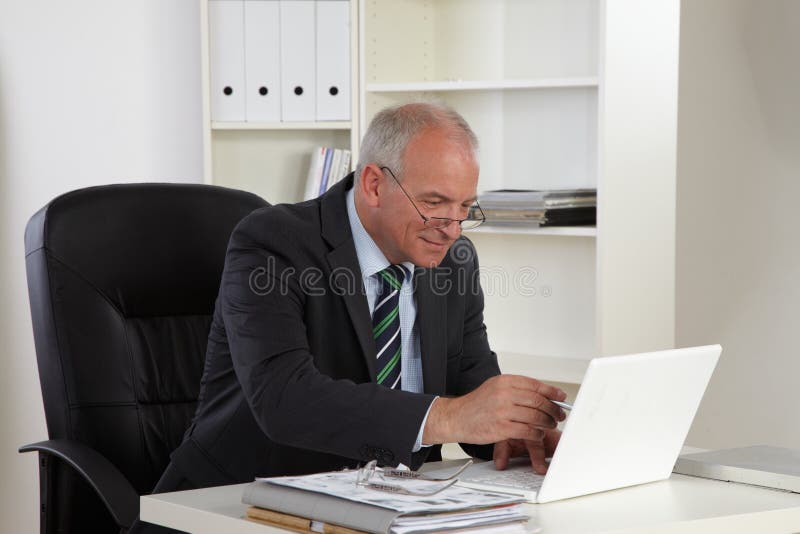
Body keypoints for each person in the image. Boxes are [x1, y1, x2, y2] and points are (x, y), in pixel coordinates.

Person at [132, 102, 565, 533]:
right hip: (237, 506)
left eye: (465, 207)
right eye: (434, 203)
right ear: (375, 184)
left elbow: (471, 388)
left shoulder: (453, 262)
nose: (452, 228)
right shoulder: (272, 242)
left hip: (390, 508)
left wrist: (512, 429)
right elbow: (285, 399)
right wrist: (448, 418)